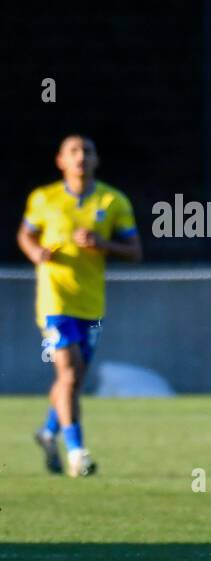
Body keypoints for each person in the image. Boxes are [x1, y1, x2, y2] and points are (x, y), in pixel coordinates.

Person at [17, 135, 142, 477]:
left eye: (86, 151)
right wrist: (36, 253)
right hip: (54, 301)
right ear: (60, 160)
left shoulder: (113, 200)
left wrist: (104, 244)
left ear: (96, 160)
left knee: (72, 379)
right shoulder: (45, 198)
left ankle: (47, 432)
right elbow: (25, 235)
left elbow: (134, 251)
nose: (80, 157)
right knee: (69, 374)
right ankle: (77, 453)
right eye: (73, 151)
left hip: (90, 305)